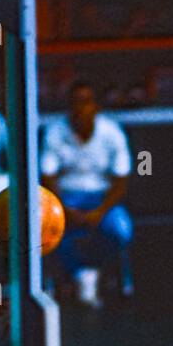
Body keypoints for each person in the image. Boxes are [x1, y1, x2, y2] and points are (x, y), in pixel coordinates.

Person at [40, 81, 134, 307]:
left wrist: (100, 212)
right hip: (66, 196)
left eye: (86, 102)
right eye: (75, 103)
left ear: (96, 107)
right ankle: (79, 273)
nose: (81, 109)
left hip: (102, 197)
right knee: (48, 230)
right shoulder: (55, 131)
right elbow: (48, 176)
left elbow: (121, 180)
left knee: (121, 230)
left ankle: (99, 271)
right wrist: (63, 208)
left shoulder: (112, 132)